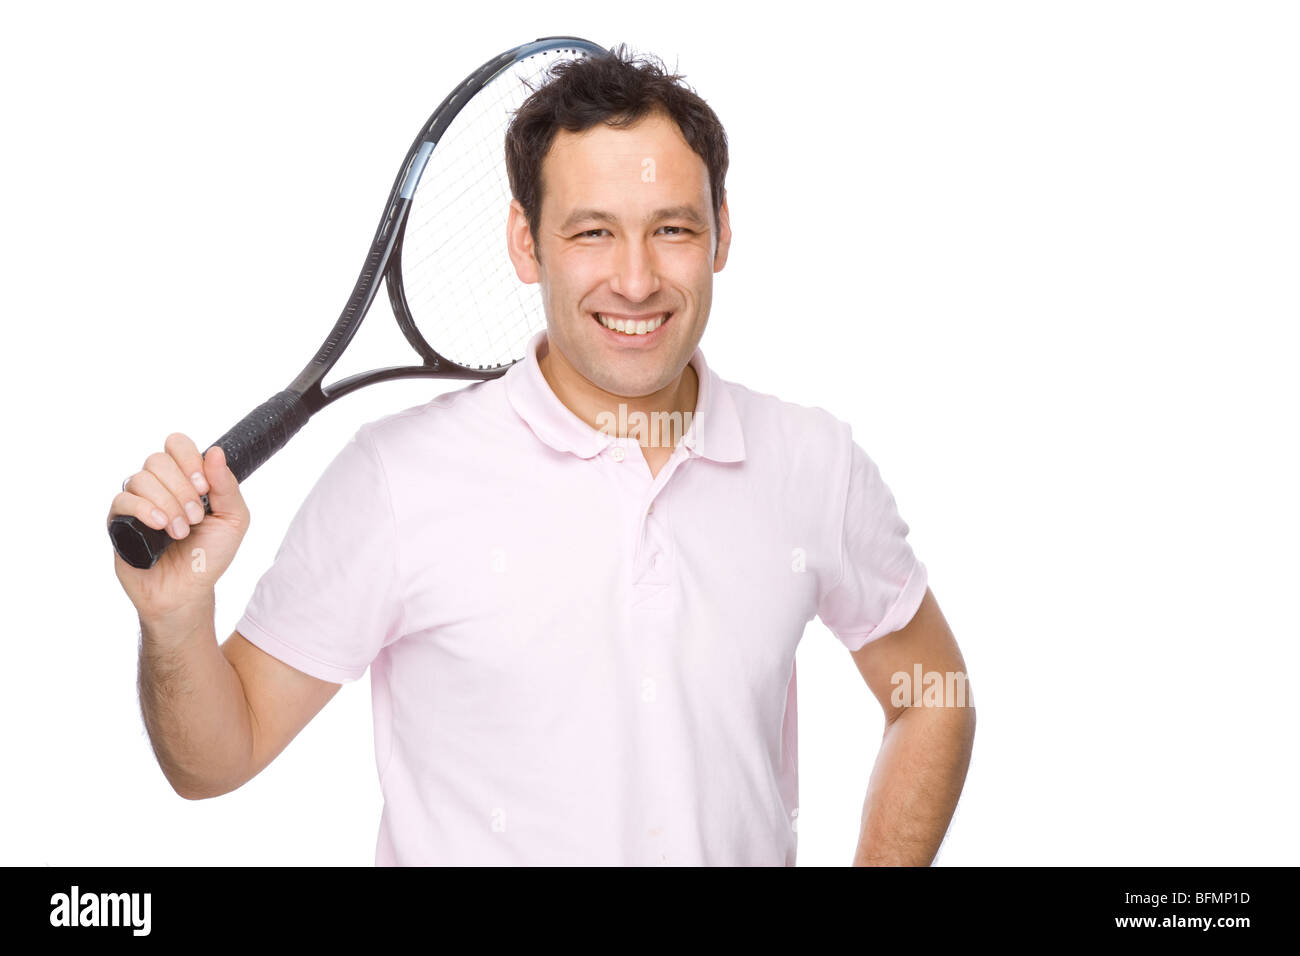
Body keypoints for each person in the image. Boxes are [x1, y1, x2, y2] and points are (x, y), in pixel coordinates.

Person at [108, 45, 975, 866]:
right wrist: (175, 621)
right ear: (526, 243)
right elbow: (213, 763)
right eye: (591, 233)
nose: (635, 280)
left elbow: (932, 697)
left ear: (721, 238)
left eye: (671, 228)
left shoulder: (812, 464)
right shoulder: (396, 481)